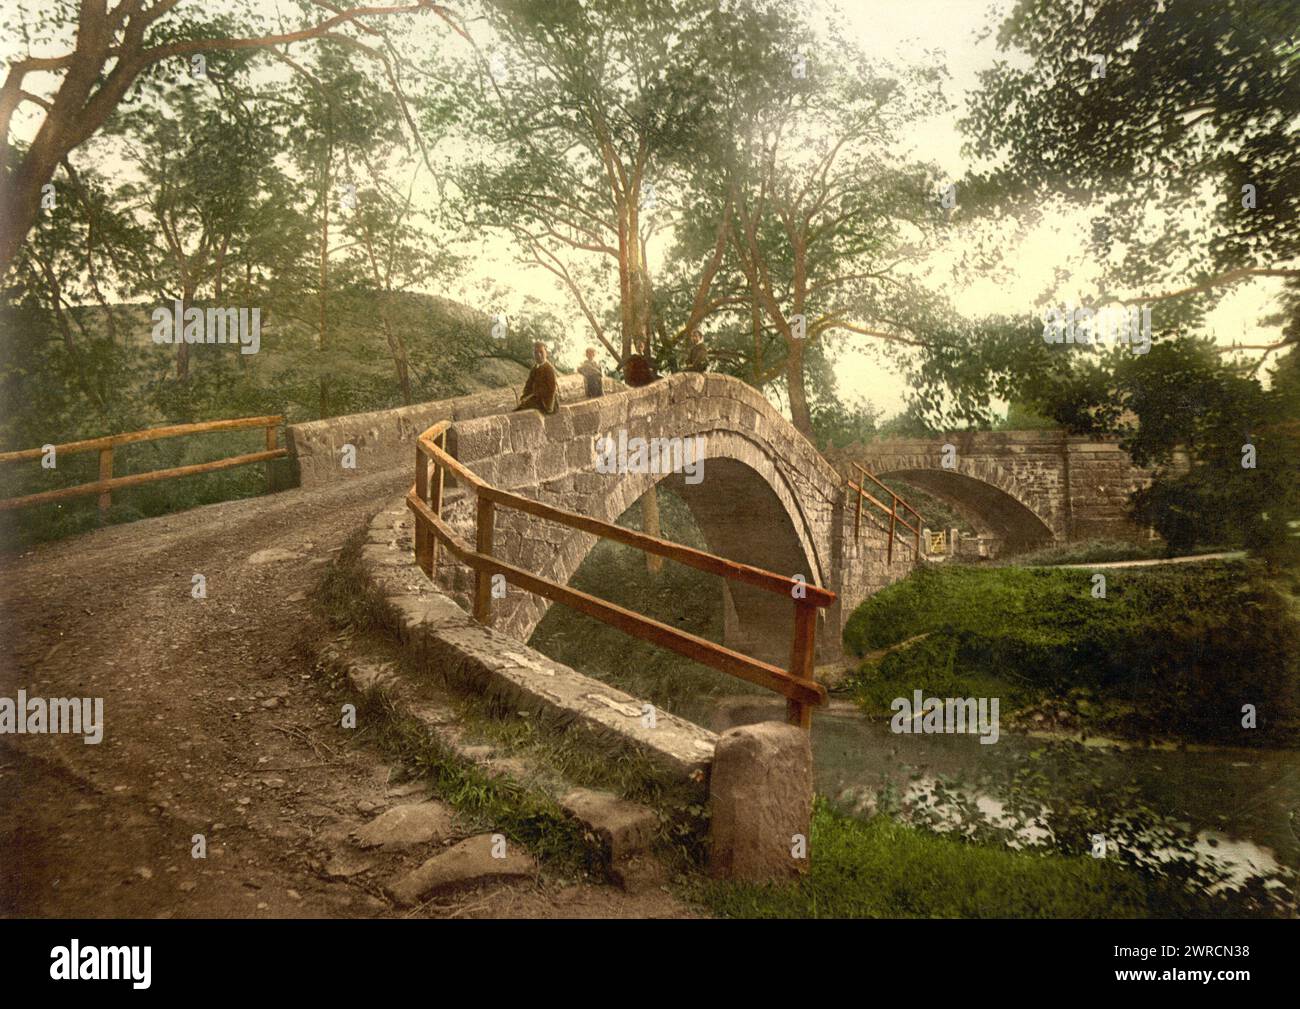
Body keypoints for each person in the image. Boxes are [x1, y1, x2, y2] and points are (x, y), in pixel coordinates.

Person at [515, 341, 559, 414]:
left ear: (546, 353)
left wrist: (549, 407)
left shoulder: (549, 368)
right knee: (519, 409)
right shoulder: (534, 369)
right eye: (536, 353)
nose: (538, 355)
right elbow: (528, 385)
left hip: (547, 401)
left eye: (541, 352)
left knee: (525, 409)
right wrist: (524, 396)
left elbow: (552, 389)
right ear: (533, 354)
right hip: (536, 399)